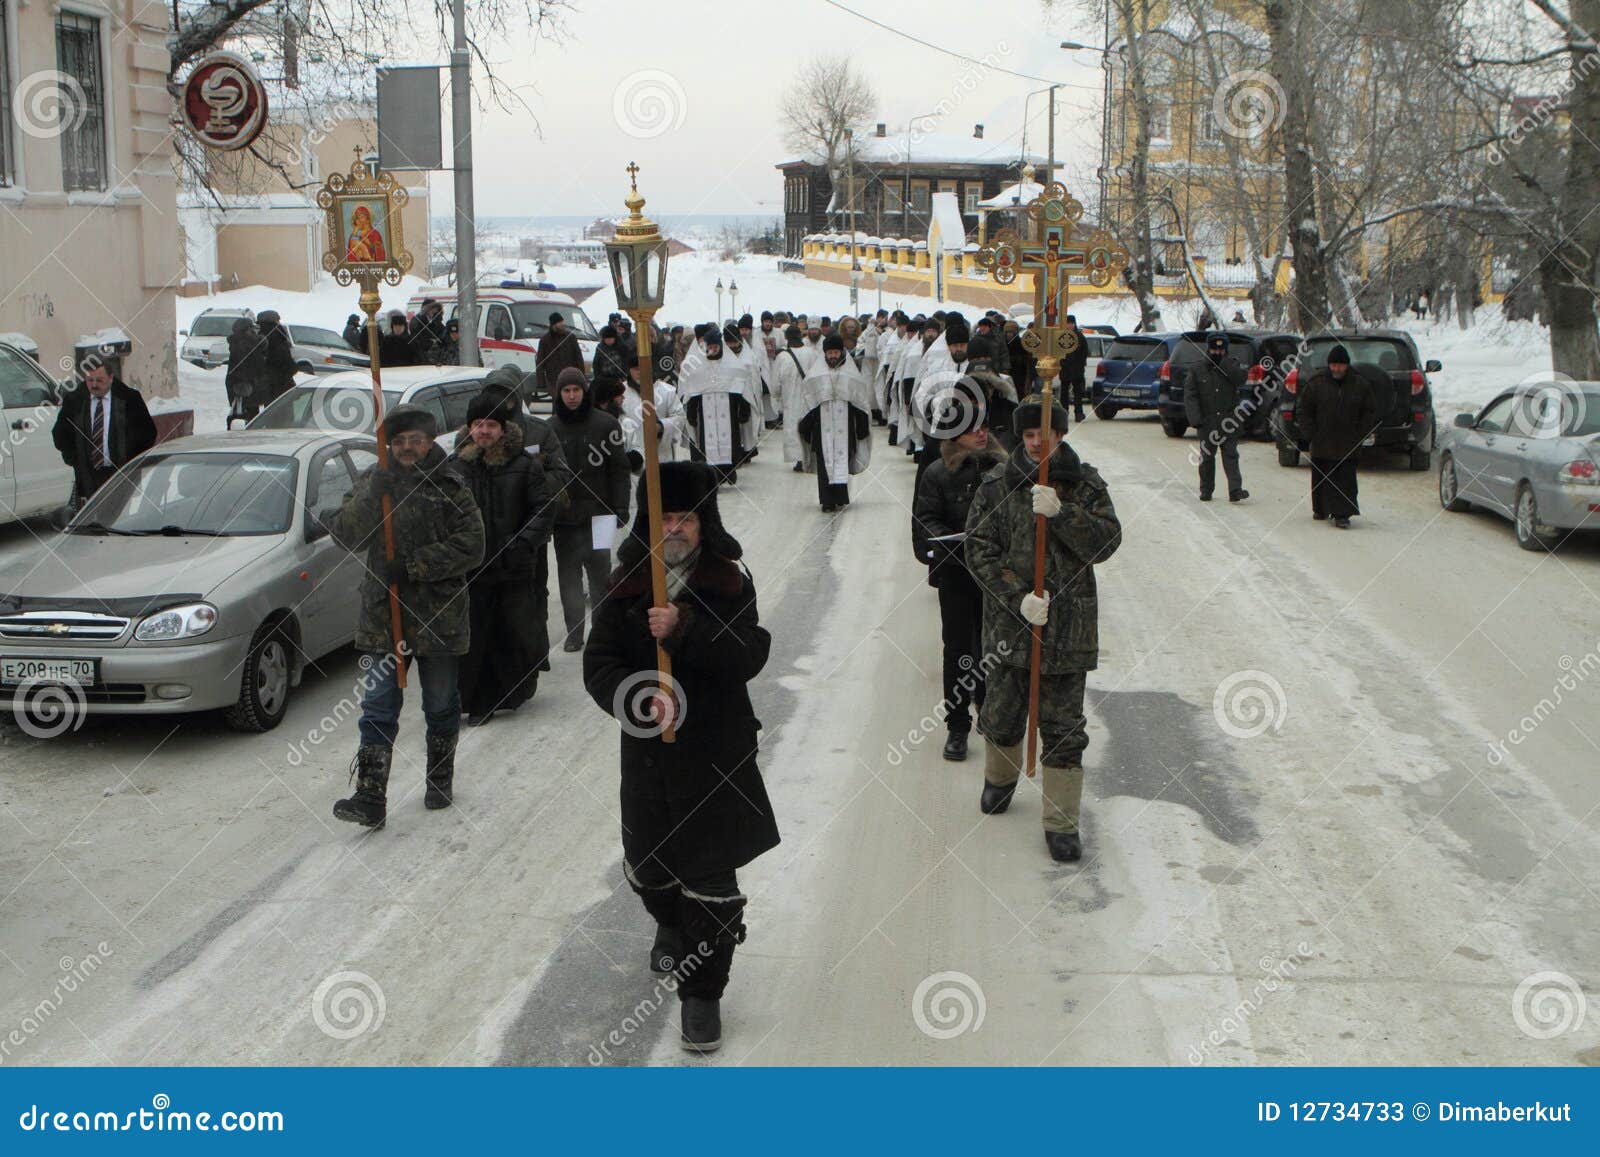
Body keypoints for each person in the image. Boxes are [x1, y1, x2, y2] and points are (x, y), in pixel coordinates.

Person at [583, 462, 777, 1053]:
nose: (675, 528)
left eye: (686, 517)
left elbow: (748, 655)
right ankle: (669, 920)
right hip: (648, 758)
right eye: (665, 517)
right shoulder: (628, 584)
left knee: (712, 880)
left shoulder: (727, 582)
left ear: (704, 521)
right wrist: (640, 698)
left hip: (716, 756)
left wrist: (684, 628)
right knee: (648, 866)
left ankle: (702, 996)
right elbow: (599, 664)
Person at [965, 393, 1122, 863]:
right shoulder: (996, 485)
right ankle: (1000, 777)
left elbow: (1107, 543)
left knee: (1063, 726)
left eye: (1046, 433)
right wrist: (1018, 598)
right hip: (1011, 628)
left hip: (1068, 630)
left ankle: (1061, 822)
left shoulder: (1085, 484)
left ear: (1061, 433)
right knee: (1003, 712)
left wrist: (1063, 514)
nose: (1037, 443)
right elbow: (978, 549)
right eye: (1030, 434)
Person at [327, 404, 486, 827]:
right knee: (378, 706)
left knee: (439, 702)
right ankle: (370, 796)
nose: (406, 448)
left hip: (440, 617)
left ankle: (439, 777)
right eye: (398, 441)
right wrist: (370, 494)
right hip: (384, 617)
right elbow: (345, 534)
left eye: (415, 439)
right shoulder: (374, 483)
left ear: (430, 440)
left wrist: (416, 565)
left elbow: (472, 544)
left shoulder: (451, 485)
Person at [449, 392, 556, 725]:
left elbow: (544, 507)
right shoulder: (457, 467)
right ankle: (477, 701)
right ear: (469, 428)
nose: (484, 431)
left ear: (502, 428)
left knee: (512, 633)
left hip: (512, 569)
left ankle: (513, 690)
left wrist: (522, 543)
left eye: (490, 425)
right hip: (472, 572)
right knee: (476, 637)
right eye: (478, 424)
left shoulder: (523, 465)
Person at [914, 393, 1003, 761]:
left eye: (984, 426)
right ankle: (956, 724)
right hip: (958, 574)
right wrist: (958, 548)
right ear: (956, 435)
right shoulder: (938, 473)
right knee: (959, 650)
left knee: (993, 645)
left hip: (997, 576)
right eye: (972, 429)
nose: (981, 433)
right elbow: (926, 522)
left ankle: (989, 707)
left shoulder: (1004, 469)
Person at [551, 367, 630, 651]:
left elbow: (620, 470)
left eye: (576, 390)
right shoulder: (550, 428)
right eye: (566, 391)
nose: (572, 396)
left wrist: (621, 505)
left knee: (601, 576)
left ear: (585, 392)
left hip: (602, 514)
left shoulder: (606, 424)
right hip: (564, 520)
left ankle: (602, 633)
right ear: (559, 394)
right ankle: (574, 634)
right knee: (568, 578)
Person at [52, 361, 157, 506]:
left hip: (120, 472)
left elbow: (147, 433)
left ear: (111, 378)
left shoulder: (129, 399)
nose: (94, 385)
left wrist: (131, 461)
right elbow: (60, 434)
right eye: (90, 380)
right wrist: (75, 460)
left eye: (99, 380)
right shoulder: (75, 401)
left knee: (116, 518)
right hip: (88, 475)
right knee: (91, 522)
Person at [1298, 344, 1380, 529]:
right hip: (1322, 439)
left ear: (1347, 366)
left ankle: (1342, 514)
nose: (1337, 369)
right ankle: (1320, 508)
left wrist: (1361, 432)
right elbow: (1304, 410)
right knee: (1321, 476)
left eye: (1340, 366)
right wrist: (1311, 433)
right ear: (1329, 365)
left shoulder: (1360, 384)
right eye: (1333, 365)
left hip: (1348, 441)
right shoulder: (1316, 382)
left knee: (1345, 478)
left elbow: (1369, 411)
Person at [796, 335, 873, 512]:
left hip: (846, 429)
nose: (832, 356)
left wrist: (862, 427)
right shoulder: (815, 375)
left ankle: (840, 497)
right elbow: (808, 403)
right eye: (829, 352)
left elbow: (860, 403)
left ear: (841, 352)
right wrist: (806, 427)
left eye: (835, 352)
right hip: (821, 429)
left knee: (842, 460)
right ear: (824, 354)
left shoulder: (852, 375)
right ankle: (827, 500)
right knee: (824, 465)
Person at [677, 326, 749, 485]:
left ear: (721, 346)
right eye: (710, 347)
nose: (713, 350)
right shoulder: (697, 370)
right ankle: (713, 475)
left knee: (730, 440)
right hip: (705, 411)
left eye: (715, 347)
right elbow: (692, 394)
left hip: (728, 411)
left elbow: (741, 391)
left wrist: (744, 409)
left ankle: (729, 471)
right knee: (707, 442)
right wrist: (691, 414)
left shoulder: (733, 367)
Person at [1186, 333, 1250, 503]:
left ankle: (1235, 490)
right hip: (1207, 422)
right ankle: (1206, 490)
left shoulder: (1232, 365)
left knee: (1231, 456)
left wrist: (1225, 365)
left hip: (1229, 421)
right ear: (1208, 348)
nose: (1217, 353)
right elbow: (1191, 395)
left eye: (1221, 350)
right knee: (1207, 458)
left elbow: (1241, 379)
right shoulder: (1198, 368)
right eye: (1214, 349)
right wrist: (1196, 418)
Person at [620, 360, 687, 471]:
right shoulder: (621, 392)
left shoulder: (667, 391)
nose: (639, 372)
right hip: (633, 456)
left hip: (661, 454)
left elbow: (679, 417)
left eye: (642, 367)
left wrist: (661, 426)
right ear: (629, 370)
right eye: (636, 368)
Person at [774, 325, 809, 471]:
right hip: (809, 400)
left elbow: (775, 385)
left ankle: (799, 460)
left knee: (794, 429)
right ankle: (809, 457)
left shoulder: (782, 357)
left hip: (790, 400)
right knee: (808, 427)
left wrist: (777, 399)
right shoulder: (812, 353)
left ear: (787, 338)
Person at [225, 316, 264, 428]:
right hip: (247, 386)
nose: (253, 331)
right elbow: (258, 366)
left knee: (239, 413)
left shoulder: (235, 343)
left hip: (237, 385)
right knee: (248, 418)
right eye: (251, 329)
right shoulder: (248, 344)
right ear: (246, 330)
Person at [536, 312, 585, 400]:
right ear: (553, 324)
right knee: (557, 402)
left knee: (570, 400)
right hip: (553, 378)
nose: (562, 324)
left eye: (562, 322)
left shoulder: (571, 337)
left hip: (570, 376)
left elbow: (579, 358)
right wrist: (541, 382)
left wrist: (582, 376)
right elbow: (540, 361)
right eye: (559, 322)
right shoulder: (545, 340)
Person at [255, 310, 298, 405]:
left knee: (270, 411)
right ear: (274, 321)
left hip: (266, 383)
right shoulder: (278, 336)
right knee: (284, 412)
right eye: (278, 320)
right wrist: (294, 367)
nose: (279, 322)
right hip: (281, 382)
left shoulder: (259, 337)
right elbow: (284, 359)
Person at [1062, 315, 1090, 424]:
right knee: (1064, 394)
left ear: (1074, 324)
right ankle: (1064, 414)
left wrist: (1080, 365)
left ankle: (1079, 413)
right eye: (1067, 323)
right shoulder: (1062, 336)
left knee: (1078, 393)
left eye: (1071, 323)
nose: (1069, 325)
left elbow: (1085, 353)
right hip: (1065, 369)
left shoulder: (1080, 336)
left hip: (1077, 369)